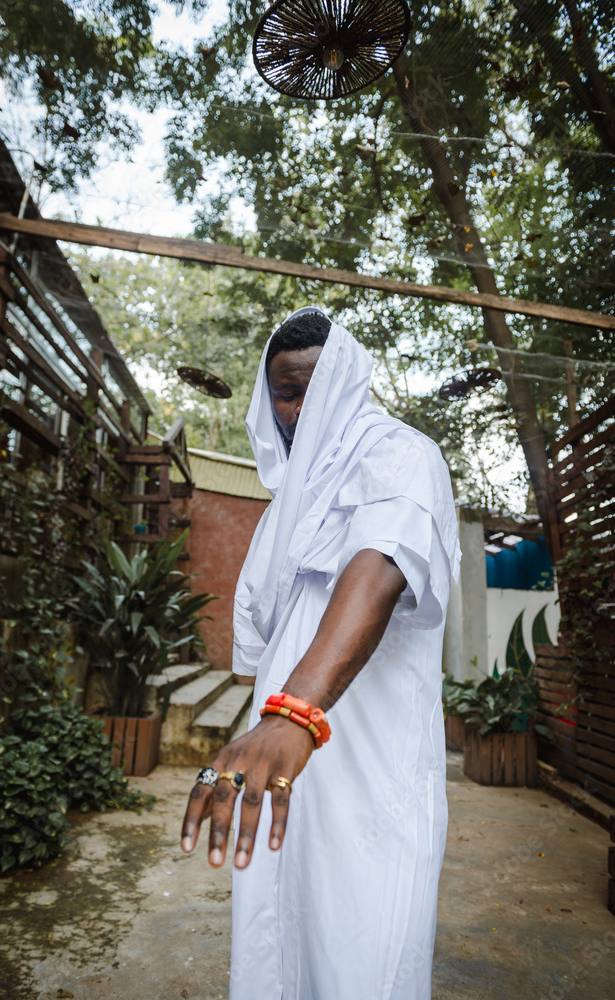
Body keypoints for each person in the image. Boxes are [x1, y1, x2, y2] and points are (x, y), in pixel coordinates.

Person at [181, 307, 460, 1000]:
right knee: (280, 941)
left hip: (364, 769)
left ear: (347, 383)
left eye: (311, 387)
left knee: (360, 954)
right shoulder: (288, 506)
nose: (299, 409)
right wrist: (280, 723)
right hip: (288, 770)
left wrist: (293, 713)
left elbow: (380, 562)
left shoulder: (399, 454)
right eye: (284, 391)